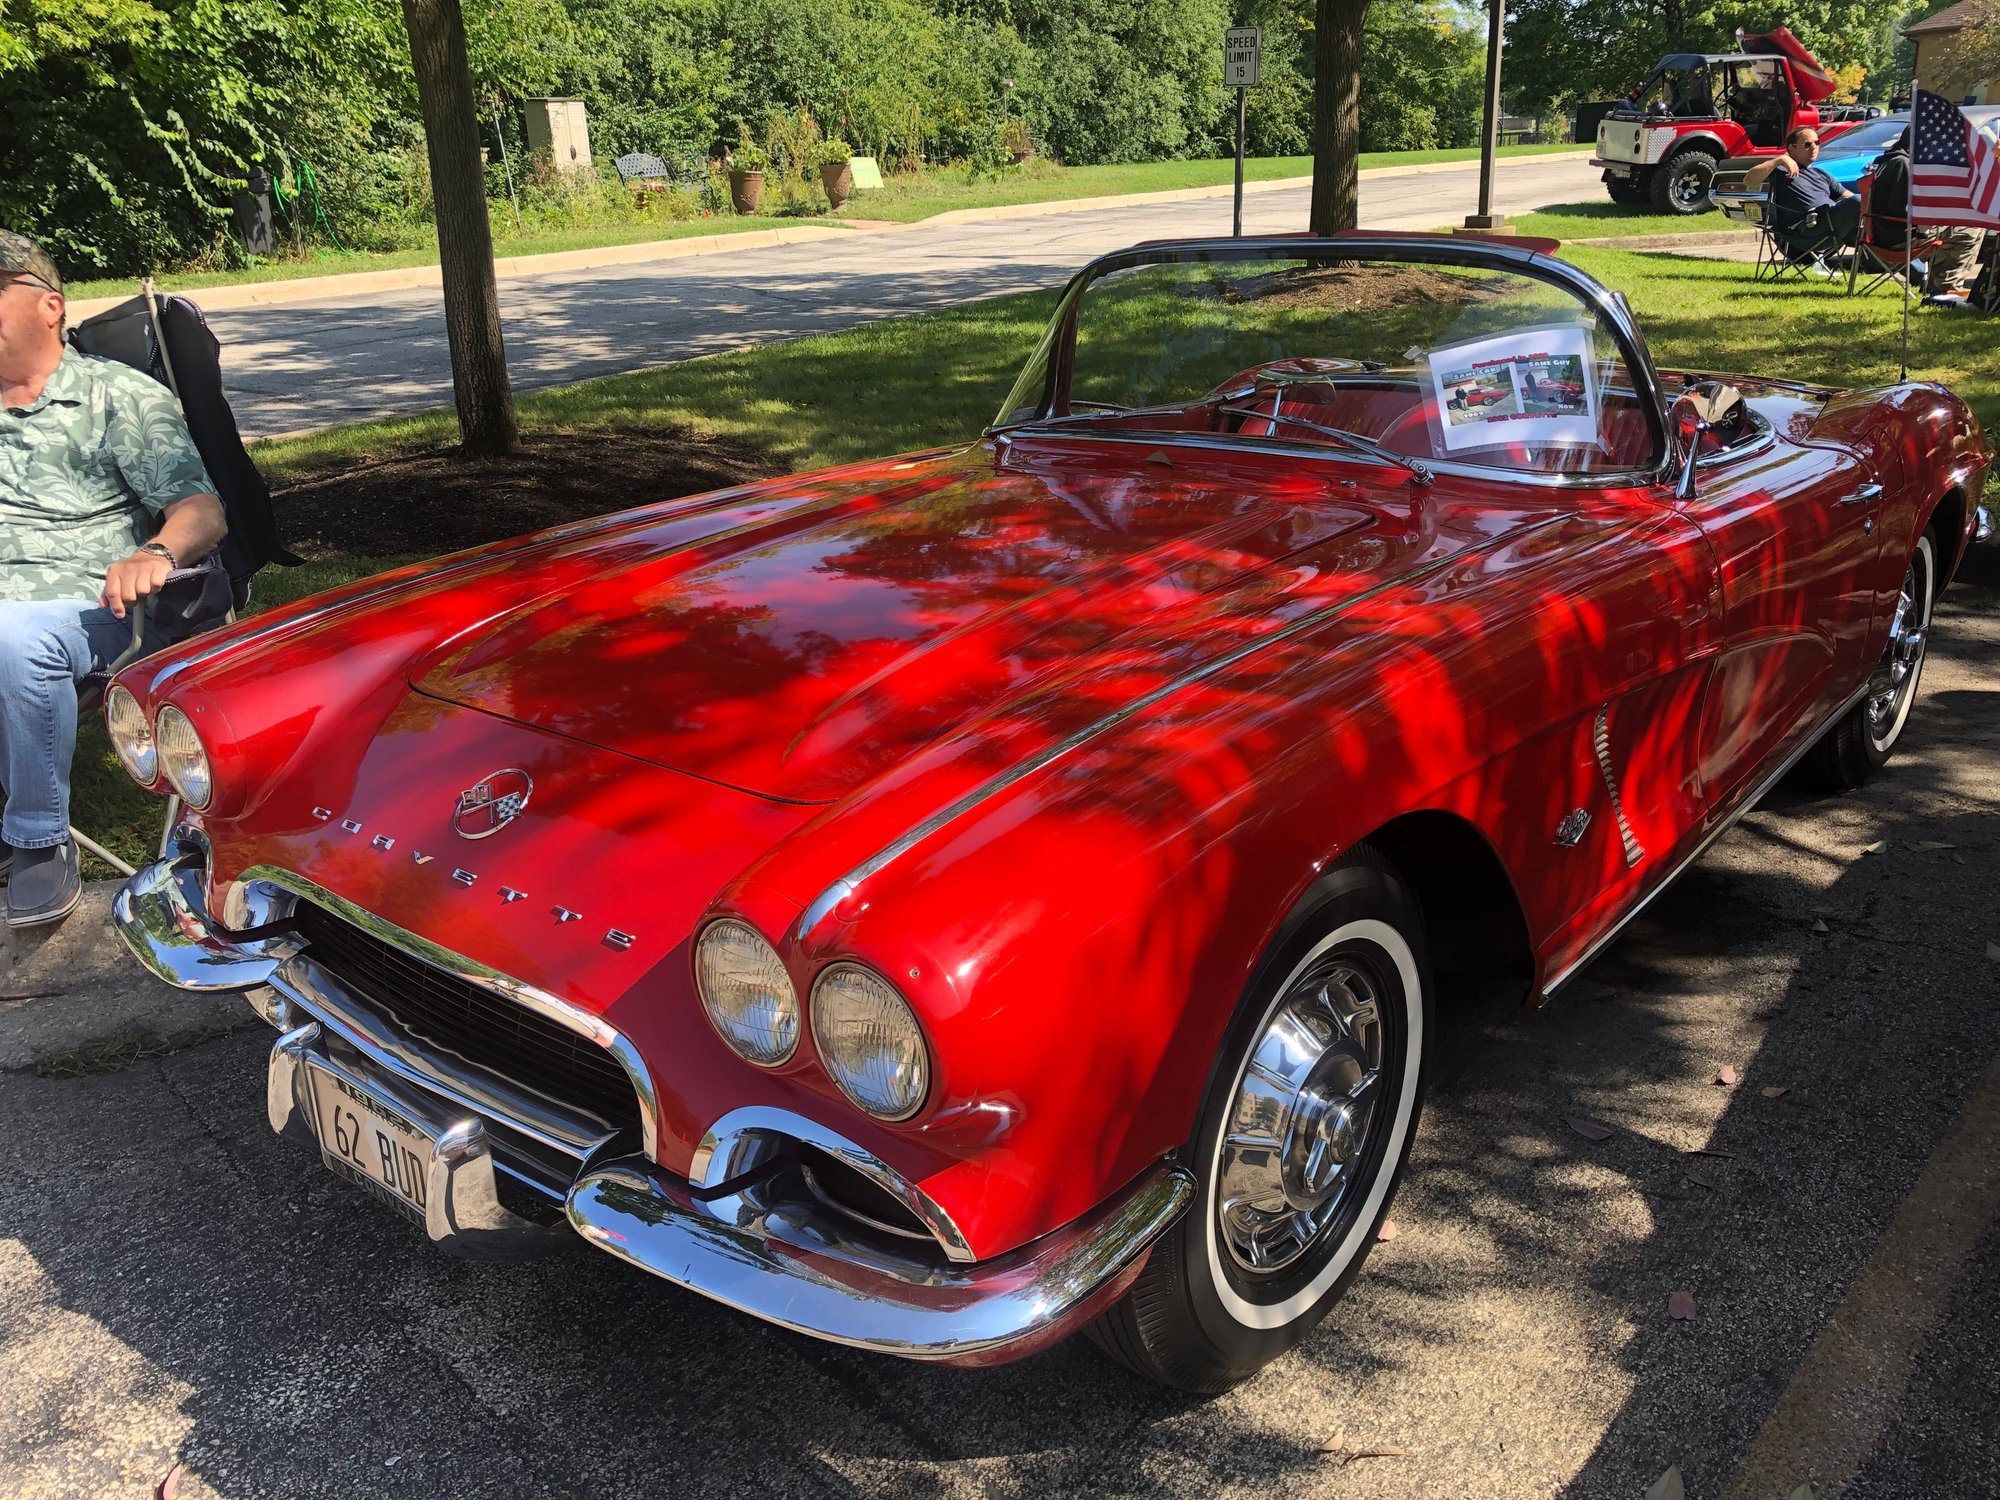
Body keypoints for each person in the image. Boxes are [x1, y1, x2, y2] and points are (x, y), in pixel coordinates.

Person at [0, 230, 227, 925]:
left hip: (89, 602)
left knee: (13, 638)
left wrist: (154, 554)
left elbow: (201, 510)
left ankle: (37, 838)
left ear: (49, 306)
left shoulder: (115, 396)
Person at [1866, 127, 1989, 305]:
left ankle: (1938, 285)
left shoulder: (1888, 159)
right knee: (1971, 229)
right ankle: (1944, 288)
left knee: (1952, 226)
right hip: (1901, 237)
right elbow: (1904, 211)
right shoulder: (1903, 164)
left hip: (1882, 235)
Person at [1744, 126, 1861, 271]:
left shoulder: (1821, 174)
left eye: (1817, 143)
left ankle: (1879, 258)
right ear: (1792, 148)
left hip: (1831, 231)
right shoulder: (1780, 171)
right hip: (1803, 234)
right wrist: (1778, 160)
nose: (1814, 148)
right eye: (1807, 144)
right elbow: (1749, 179)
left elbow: (1850, 198)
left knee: (1865, 204)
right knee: (1858, 202)